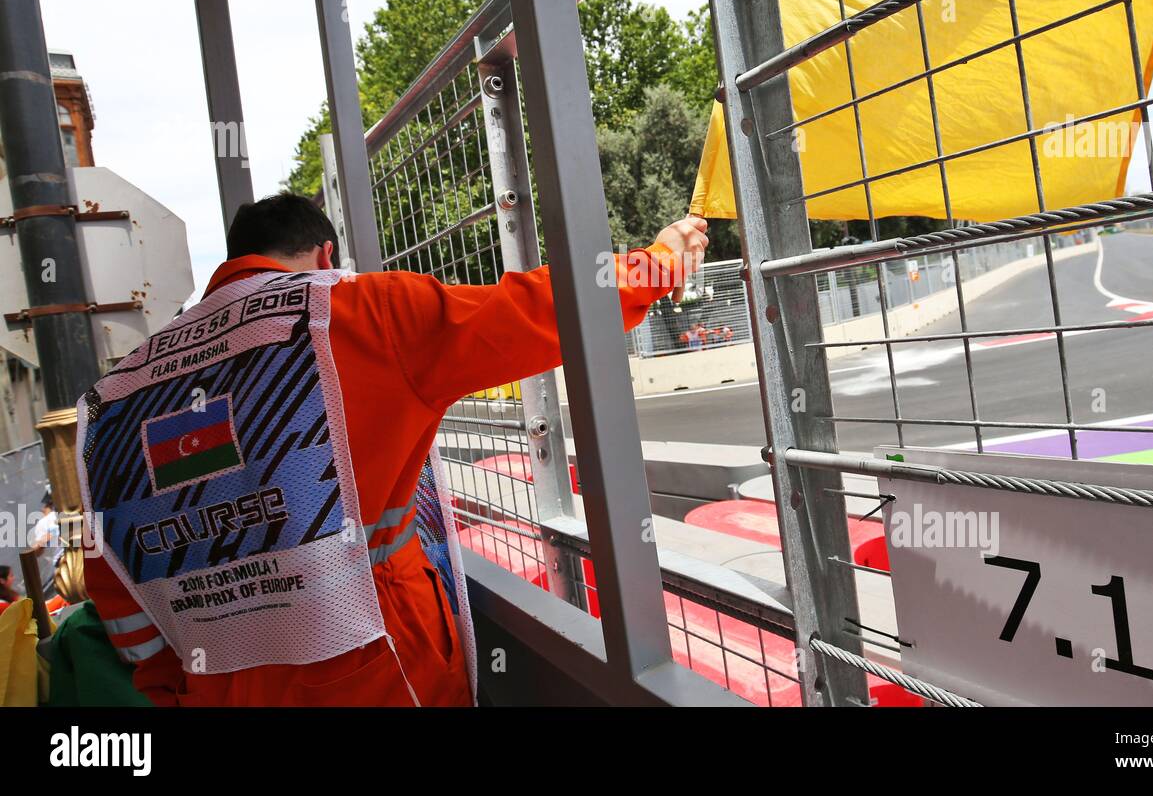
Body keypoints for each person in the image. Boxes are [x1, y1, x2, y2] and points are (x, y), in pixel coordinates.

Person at [78, 192, 707, 706]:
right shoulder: (354, 313)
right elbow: (533, 311)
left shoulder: (116, 395)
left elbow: (125, 611)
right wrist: (658, 263)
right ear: (325, 254)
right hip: (377, 675)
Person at [28, 491, 62, 598]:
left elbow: (36, 551)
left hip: (64, 565)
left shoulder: (47, 520)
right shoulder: (48, 520)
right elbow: (36, 551)